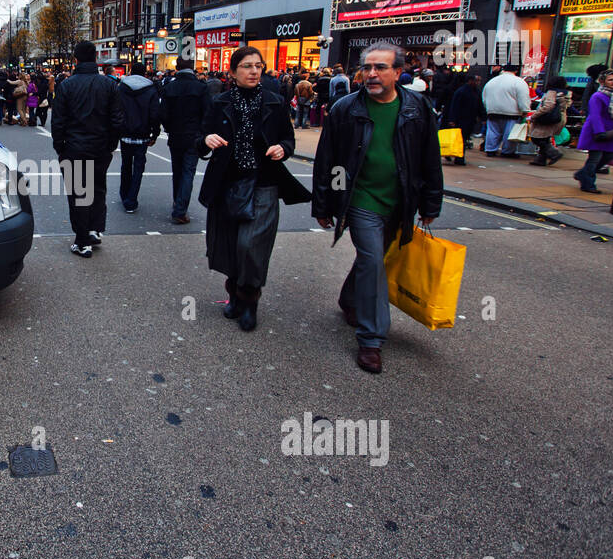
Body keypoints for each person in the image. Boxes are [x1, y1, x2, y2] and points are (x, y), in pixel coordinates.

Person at [311, 41, 443, 374]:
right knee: (372, 259)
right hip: (361, 198)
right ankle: (371, 339)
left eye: (380, 68)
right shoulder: (345, 109)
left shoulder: (418, 108)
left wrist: (430, 201)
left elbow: (430, 158)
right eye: (367, 67)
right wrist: (327, 202)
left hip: (400, 200)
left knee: (374, 260)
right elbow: (329, 161)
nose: (372, 74)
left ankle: (350, 299)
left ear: (398, 73)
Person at [197, 47, 310, 331]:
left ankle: (250, 301)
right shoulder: (219, 102)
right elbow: (199, 137)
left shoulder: (274, 102)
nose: (254, 71)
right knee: (230, 246)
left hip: (264, 182)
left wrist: (282, 148)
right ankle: (233, 293)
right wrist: (206, 140)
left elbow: (288, 139)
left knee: (252, 246)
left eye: (258, 66)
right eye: (247, 66)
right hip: (227, 183)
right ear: (233, 72)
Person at [52, 40, 125, 257]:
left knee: (78, 194)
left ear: (76, 59)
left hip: (74, 148)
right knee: (97, 189)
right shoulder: (110, 85)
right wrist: (111, 145)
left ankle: (82, 240)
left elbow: (58, 121)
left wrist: (60, 147)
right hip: (101, 148)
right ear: (95, 58)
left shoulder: (66, 85)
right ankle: (94, 229)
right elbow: (117, 119)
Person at [160, 56, 211, 224]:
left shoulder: (170, 87)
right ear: (193, 67)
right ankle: (180, 210)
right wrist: (203, 132)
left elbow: (164, 114)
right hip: (194, 136)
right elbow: (207, 113)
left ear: (177, 67)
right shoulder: (201, 87)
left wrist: (168, 128)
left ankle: (178, 202)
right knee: (188, 171)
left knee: (178, 171)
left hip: (175, 135)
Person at [116, 60, 161, 213]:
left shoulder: (121, 87)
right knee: (139, 167)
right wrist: (155, 133)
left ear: (130, 72)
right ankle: (132, 198)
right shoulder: (151, 89)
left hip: (125, 132)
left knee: (126, 165)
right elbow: (155, 113)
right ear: (144, 73)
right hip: (142, 133)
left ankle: (124, 193)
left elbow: (116, 110)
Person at [573, 70, 613, 194]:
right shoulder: (597, 96)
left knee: (609, 156)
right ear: (602, 81)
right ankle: (588, 184)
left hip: (611, 132)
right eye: (610, 80)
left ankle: (582, 174)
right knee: (595, 158)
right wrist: (599, 132)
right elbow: (595, 115)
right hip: (597, 131)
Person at [481, 62, 531, 158]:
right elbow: (523, 97)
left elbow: (484, 97)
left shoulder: (492, 81)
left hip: (493, 111)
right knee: (509, 133)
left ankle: (490, 149)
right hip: (512, 113)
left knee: (492, 132)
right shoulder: (518, 82)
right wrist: (525, 110)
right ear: (516, 70)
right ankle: (507, 151)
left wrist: (488, 108)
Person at [527, 76, 571, 166]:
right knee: (545, 138)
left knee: (537, 138)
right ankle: (540, 159)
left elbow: (548, 106)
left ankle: (554, 153)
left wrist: (534, 115)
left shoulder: (552, 92)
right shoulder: (565, 93)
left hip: (548, 118)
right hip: (559, 117)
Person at [444, 73, 484, 166]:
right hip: (461, 119)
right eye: (476, 80)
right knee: (461, 139)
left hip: (469, 119)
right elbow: (455, 106)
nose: (478, 82)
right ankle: (459, 158)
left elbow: (479, 105)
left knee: (464, 138)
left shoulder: (476, 91)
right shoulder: (461, 91)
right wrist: (452, 120)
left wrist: (482, 116)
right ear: (470, 81)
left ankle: (459, 156)